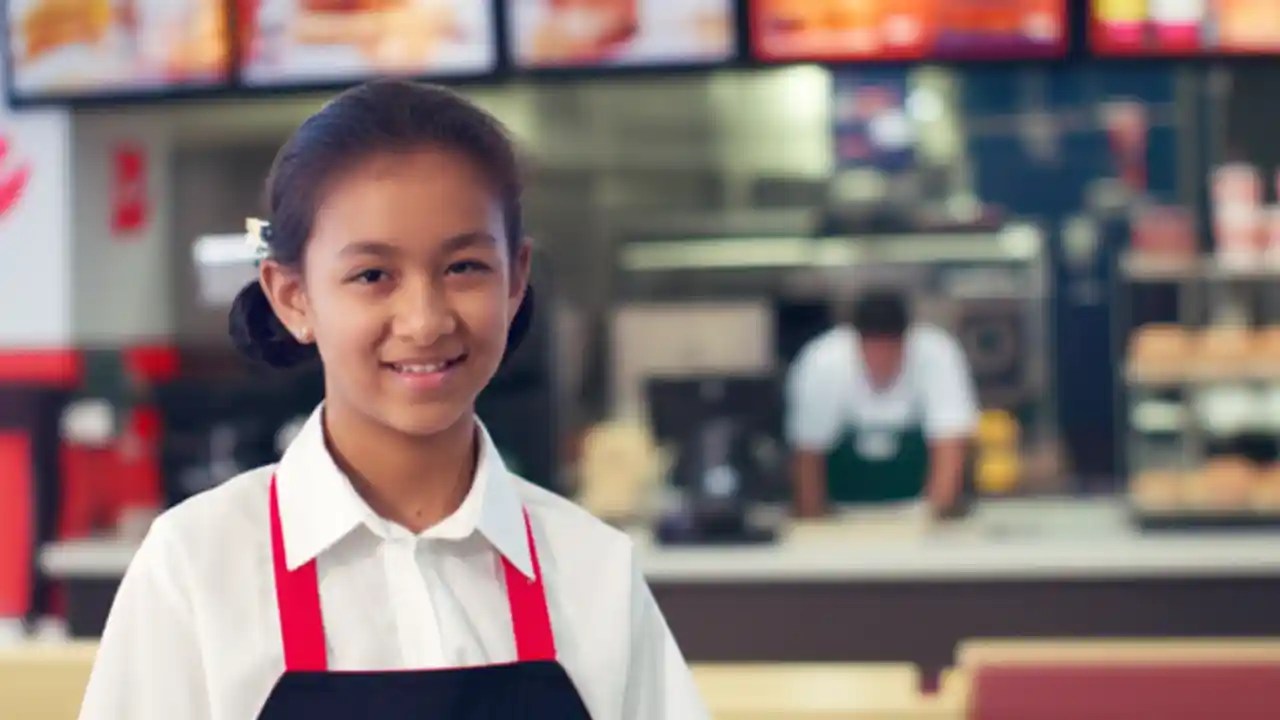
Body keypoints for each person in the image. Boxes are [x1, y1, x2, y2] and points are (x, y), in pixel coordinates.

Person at [79, 80, 706, 720]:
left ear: (516, 279)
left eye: (464, 267)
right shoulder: (197, 566)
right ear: (293, 296)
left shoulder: (591, 567)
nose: (425, 321)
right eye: (372, 276)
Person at [787, 290, 978, 518]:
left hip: (918, 514)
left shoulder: (939, 355)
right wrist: (815, 524)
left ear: (906, 341)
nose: (881, 362)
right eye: (872, 352)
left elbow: (951, 447)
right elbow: (808, 457)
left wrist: (932, 519)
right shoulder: (822, 362)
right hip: (840, 516)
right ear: (856, 342)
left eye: (890, 353)